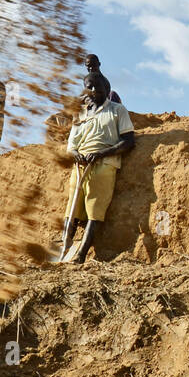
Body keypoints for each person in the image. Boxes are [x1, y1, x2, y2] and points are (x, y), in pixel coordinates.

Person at [60, 73, 135, 264]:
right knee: (72, 207)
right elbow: (71, 144)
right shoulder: (80, 115)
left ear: (106, 88)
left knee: (95, 208)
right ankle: (64, 246)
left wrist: (102, 154)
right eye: (89, 87)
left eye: (97, 87)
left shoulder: (118, 110)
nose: (93, 91)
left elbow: (128, 141)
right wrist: (75, 154)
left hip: (104, 163)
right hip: (80, 164)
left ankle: (81, 254)